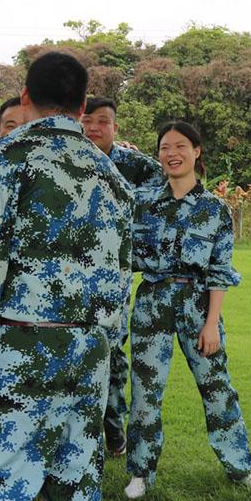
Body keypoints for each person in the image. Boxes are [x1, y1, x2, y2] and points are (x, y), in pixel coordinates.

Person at [0, 52, 133, 501]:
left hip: (21, 343)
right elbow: (120, 273)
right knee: (75, 485)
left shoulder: (4, 158)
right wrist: (106, 344)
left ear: (26, 96)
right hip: (90, 350)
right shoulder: (111, 174)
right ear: (82, 105)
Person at [124, 121, 251, 499]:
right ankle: (140, 472)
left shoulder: (215, 209)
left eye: (180, 146)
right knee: (145, 392)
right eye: (165, 148)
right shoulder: (143, 203)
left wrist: (211, 324)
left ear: (196, 151)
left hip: (198, 302)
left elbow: (220, 270)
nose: (172, 154)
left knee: (217, 388)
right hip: (152, 301)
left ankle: (240, 467)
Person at [80, 96, 165, 457]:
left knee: (112, 352)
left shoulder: (133, 164)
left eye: (102, 121)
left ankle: (113, 430)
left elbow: (169, 182)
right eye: (87, 120)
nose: (94, 128)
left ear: (115, 127)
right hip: (66, 273)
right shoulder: (67, 156)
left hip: (113, 276)